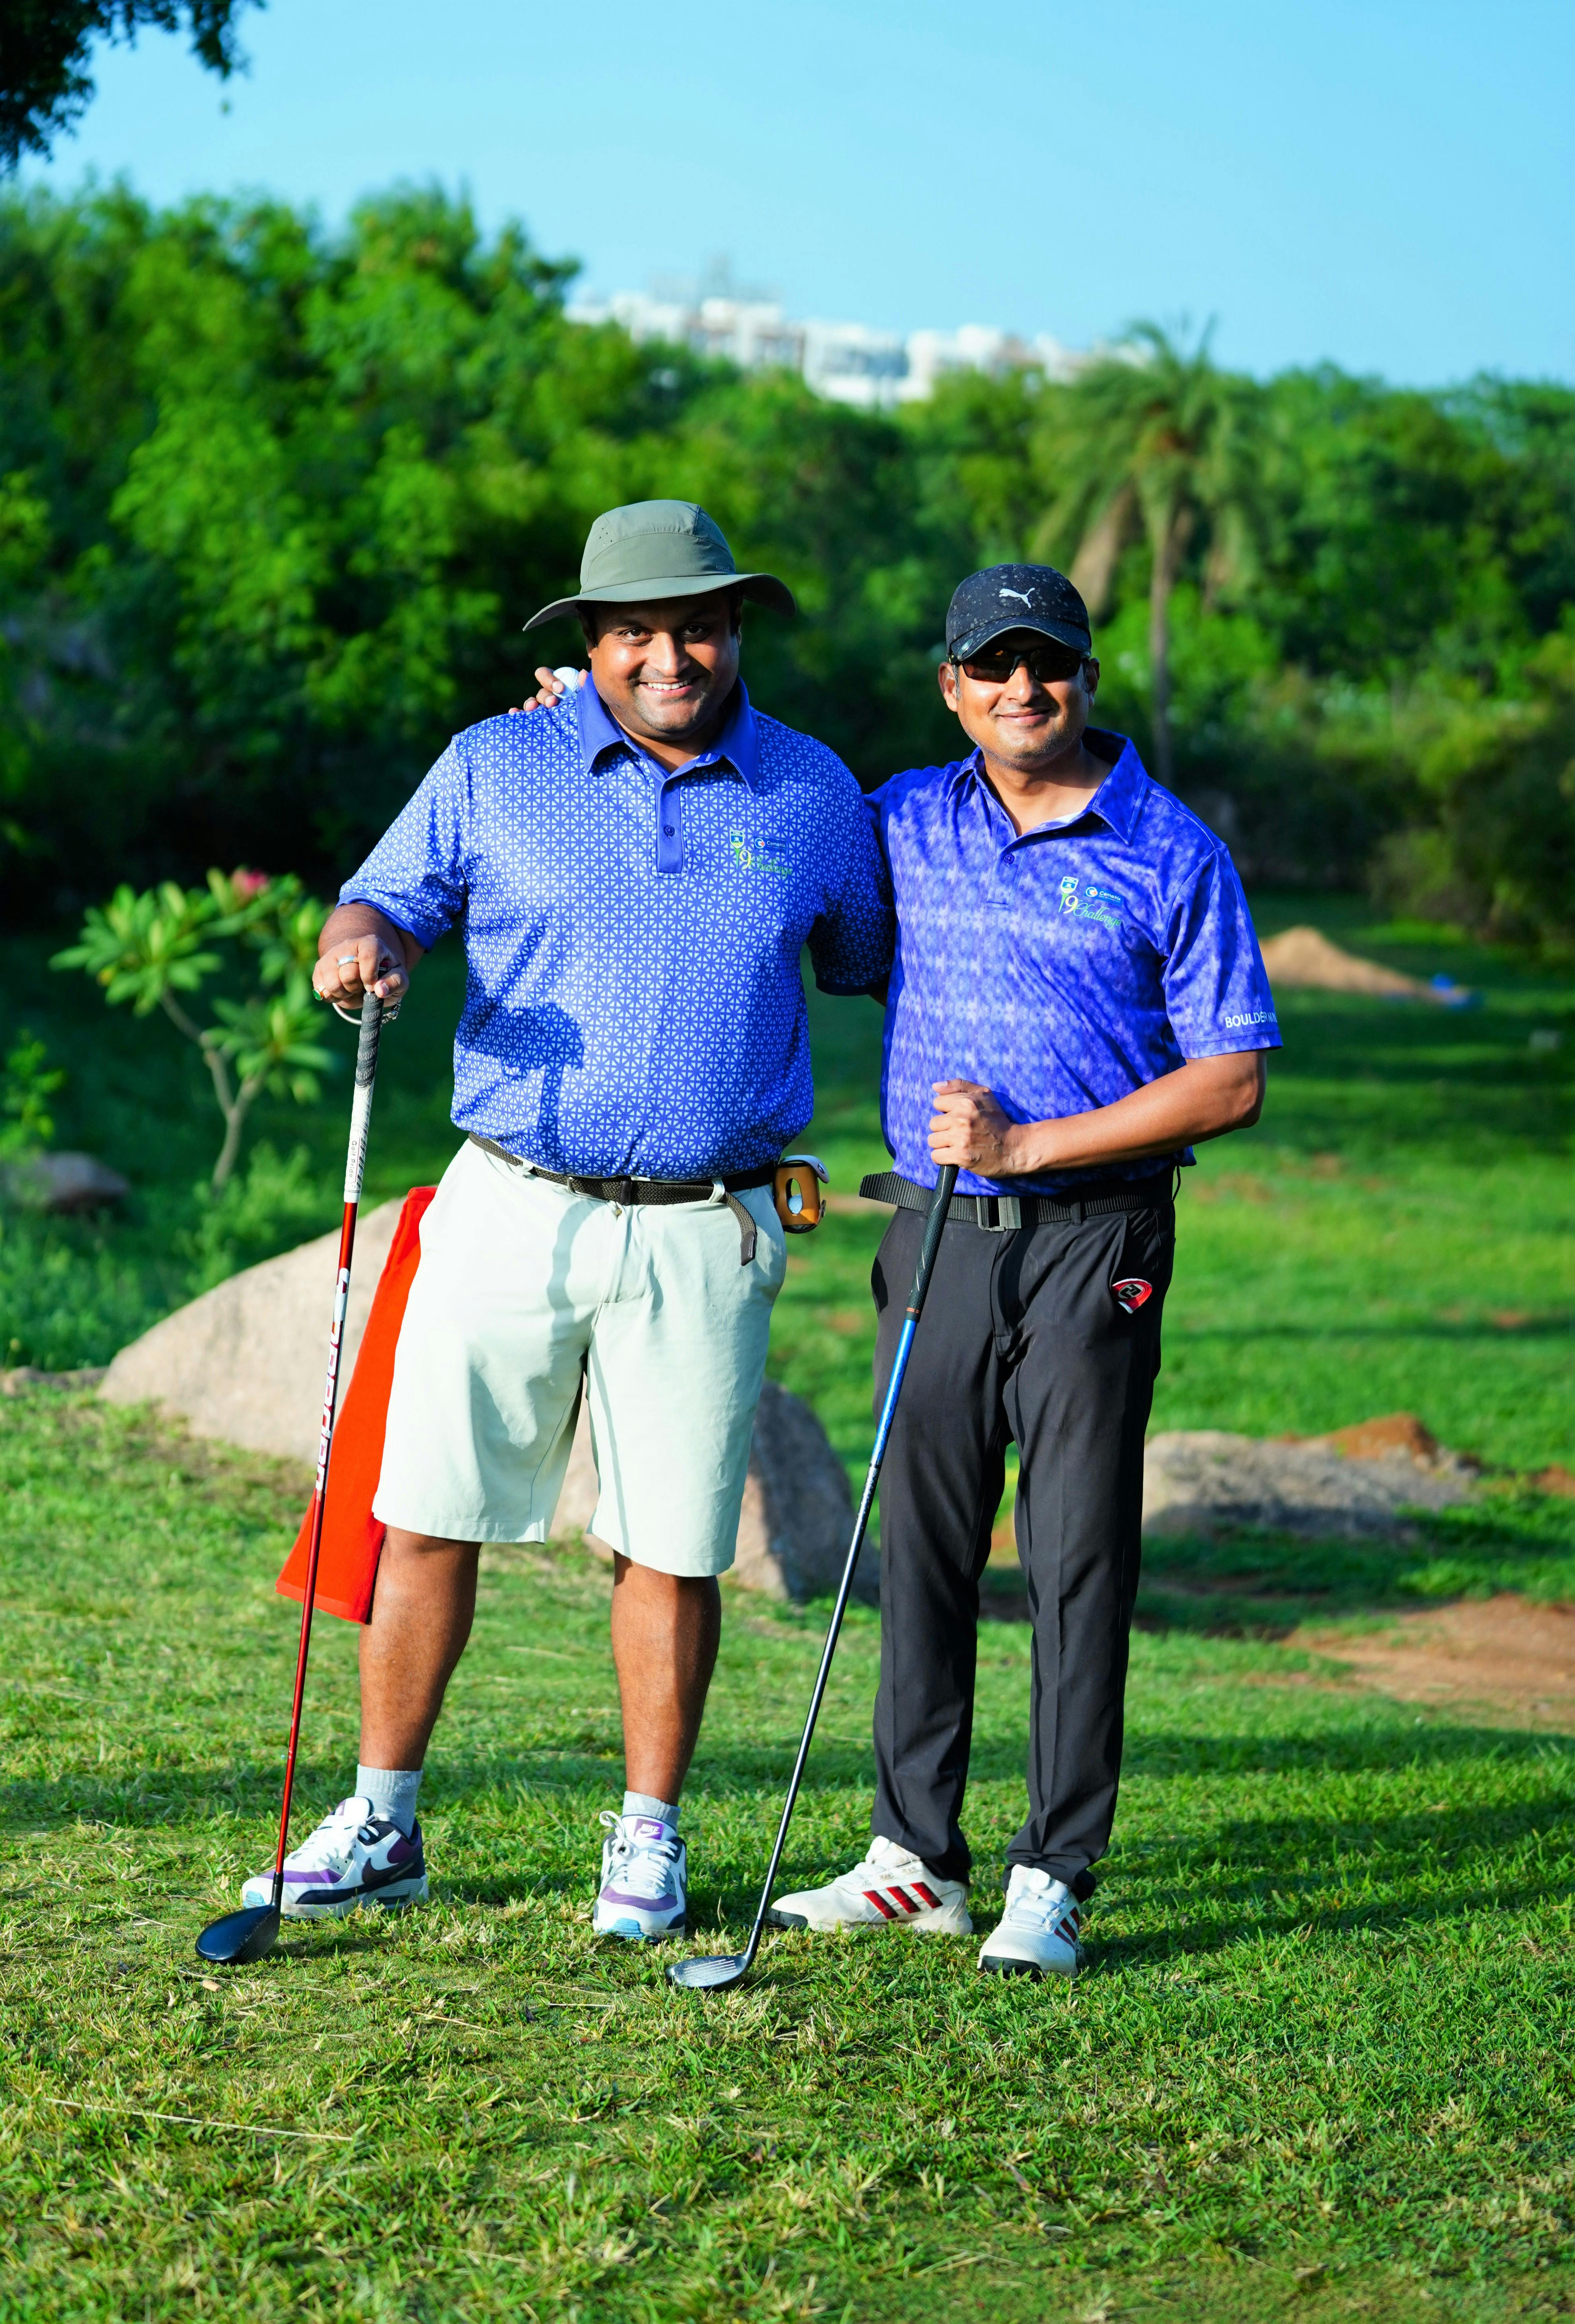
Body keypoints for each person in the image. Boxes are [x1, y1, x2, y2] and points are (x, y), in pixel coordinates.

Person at [524, 560, 1279, 1980]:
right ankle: (914, 1856)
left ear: (1086, 677)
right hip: (934, 1236)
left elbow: (1231, 1076)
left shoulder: (1171, 847)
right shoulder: (904, 820)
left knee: (1075, 1558)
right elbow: (752, 801)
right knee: (920, 1546)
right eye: (992, 665)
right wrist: (592, 713)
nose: (1020, 688)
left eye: (1046, 662)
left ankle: (1053, 1871)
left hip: (1097, 1240)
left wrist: (1031, 1143)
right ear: (951, 688)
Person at [237, 500, 893, 1940]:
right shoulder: (494, 762)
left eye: (698, 626)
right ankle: (383, 1820)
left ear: (737, 629)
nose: (671, 656)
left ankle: (648, 1837)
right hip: (510, 1203)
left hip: (707, 1224)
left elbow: (868, 955)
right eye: (636, 632)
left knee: (674, 1542)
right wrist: (357, 952)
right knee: (427, 1513)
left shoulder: (812, 788)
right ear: (589, 642)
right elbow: (377, 903)